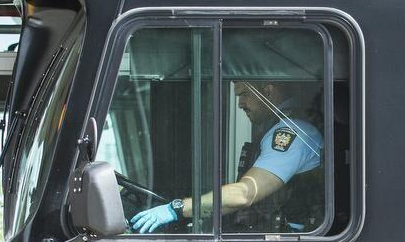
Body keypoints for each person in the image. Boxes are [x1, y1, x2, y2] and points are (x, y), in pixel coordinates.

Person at [129, 80, 323, 233]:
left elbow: (244, 193)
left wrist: (177, 208)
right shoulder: (276, 128)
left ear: (268, 92)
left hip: (296, 240)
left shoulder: (290, 132)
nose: (240, 104)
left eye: (245, 94)